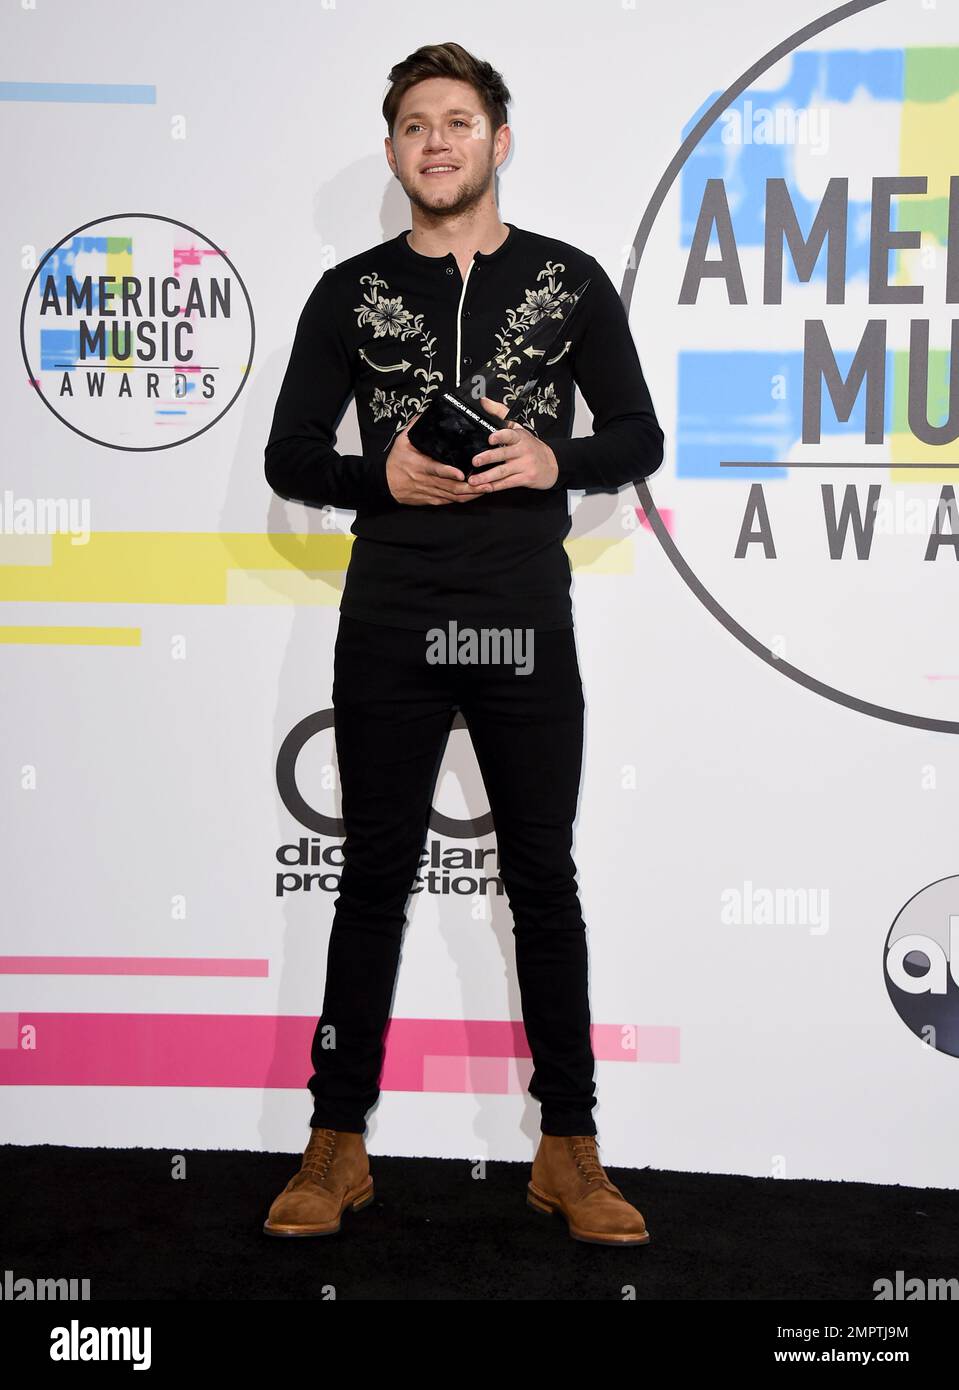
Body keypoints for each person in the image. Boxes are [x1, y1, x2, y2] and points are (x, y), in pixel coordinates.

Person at [262, 40, 664, 1246]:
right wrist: (374, 475)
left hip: (519, 618)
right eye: (415, 126)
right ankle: (336, 1145)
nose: (437, 140)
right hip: (389, 618)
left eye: (458, 119)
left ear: (497, 138)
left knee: (541, 879)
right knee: (369, 881)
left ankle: (569, 1148)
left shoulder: (572, 281)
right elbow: (290, 460)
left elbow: (636, 435)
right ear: (394, 152)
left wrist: (556, 457)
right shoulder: (344, 291)